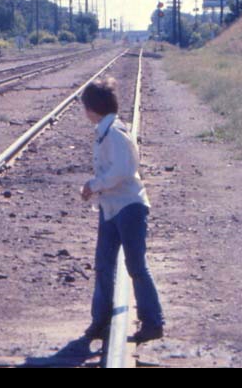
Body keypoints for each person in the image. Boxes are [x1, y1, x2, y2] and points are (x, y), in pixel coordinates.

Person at [79, 77, 165, 344]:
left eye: (85, 107)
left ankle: (153, 322)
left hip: (129, 207)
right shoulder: (105, 131)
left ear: (93, 109)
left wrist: (94, 185)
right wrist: (97, 190)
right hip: (110, 207)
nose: (85, 113)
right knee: (104, 266)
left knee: (136, 265)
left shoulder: (115, 133)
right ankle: (101, 320)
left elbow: (123, 170)